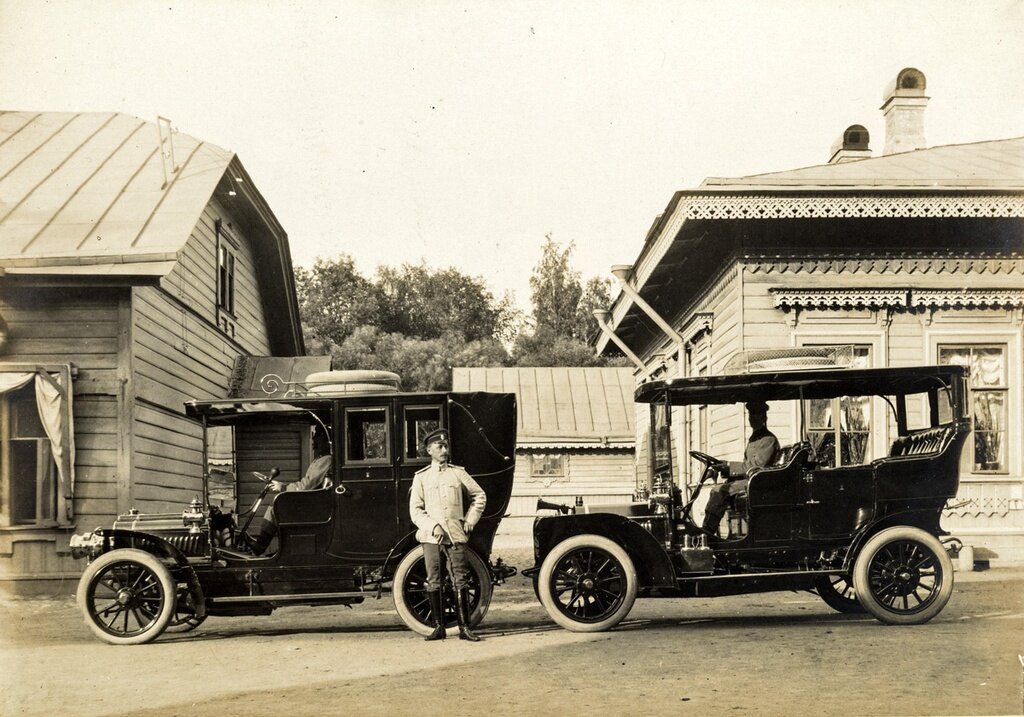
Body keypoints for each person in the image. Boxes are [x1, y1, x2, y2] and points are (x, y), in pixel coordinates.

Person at [409, 427, 486, 642]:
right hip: (432, 537)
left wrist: (470, 520)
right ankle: (438, 627)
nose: (444, 450)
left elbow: (480, 496)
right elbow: (415, 510)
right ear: (429, 450)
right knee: (433, 580)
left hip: (455, 535)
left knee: (460, 579)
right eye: (439, 446)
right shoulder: (421, 478)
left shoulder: (458, 473)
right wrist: (433, 527)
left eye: (446, 446)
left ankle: (464, 628)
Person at [702, 401, 780, 536]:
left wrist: (729, 466)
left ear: (764, 418)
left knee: (719, 491)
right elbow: (747, 463)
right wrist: (725, 467)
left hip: (760, 484)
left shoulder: (768, 440)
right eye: (751, 416)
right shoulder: (754, 439)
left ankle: (707, 532)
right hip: (750, 482)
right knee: (719, 489)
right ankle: (713, 532)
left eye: (756, 416)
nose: (752, 420)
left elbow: (756, 466)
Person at [249, 430, 333, 556]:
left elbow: (306, 486)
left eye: (318, 438)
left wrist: (283, 487)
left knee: (276, 506)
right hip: (312, 504)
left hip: (313, 507)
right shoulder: (321, 460)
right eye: (314, 438)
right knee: (276, 506)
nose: (314, 441)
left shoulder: (326, 460)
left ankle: (260, 546)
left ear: (327, 442)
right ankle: (268, 546)